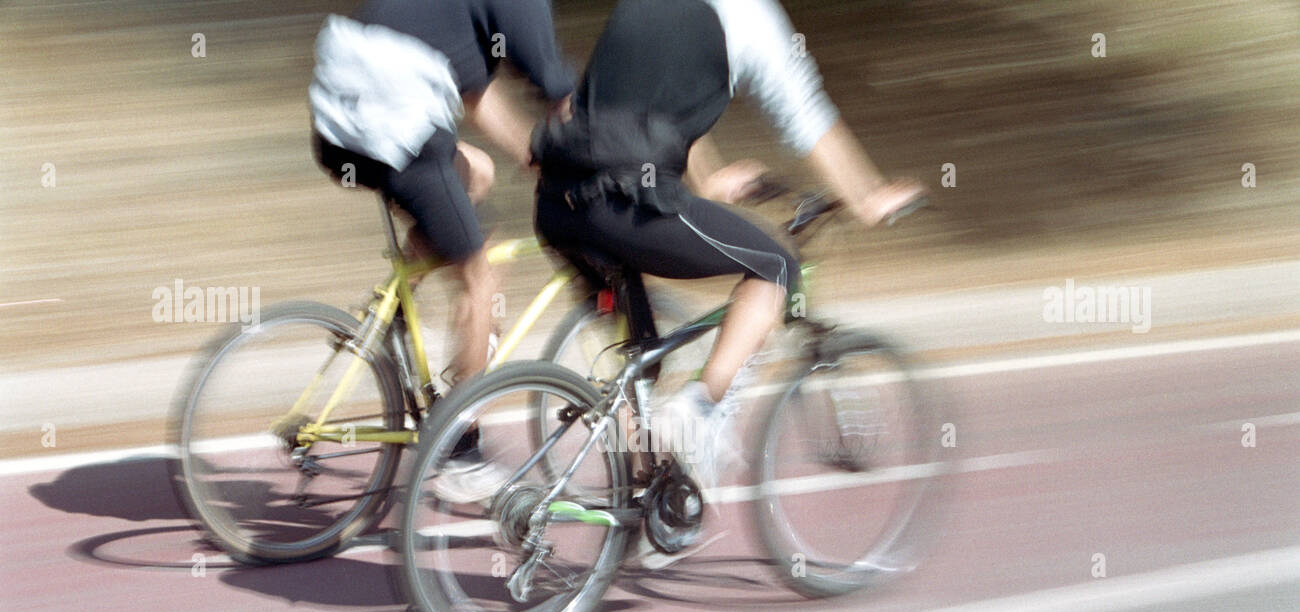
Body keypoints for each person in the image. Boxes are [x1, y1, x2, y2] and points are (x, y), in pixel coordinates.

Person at [532, 0, 927, 495]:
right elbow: (805, 117)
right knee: (777, 265)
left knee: (643, 364)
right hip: (622, 200)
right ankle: (699, 405)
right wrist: (866, 197)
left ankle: (643, 505)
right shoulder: (751, 15)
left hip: (557, 202)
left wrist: (711, 178)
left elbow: (647, 107)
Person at [309, 0, 574, 387]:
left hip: (336, 126)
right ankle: (461, 431)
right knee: (482, 274)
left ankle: (392, 307)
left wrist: (536, 159)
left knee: (477, 173)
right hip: (395, 123)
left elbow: (477, 99)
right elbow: (558, 92)